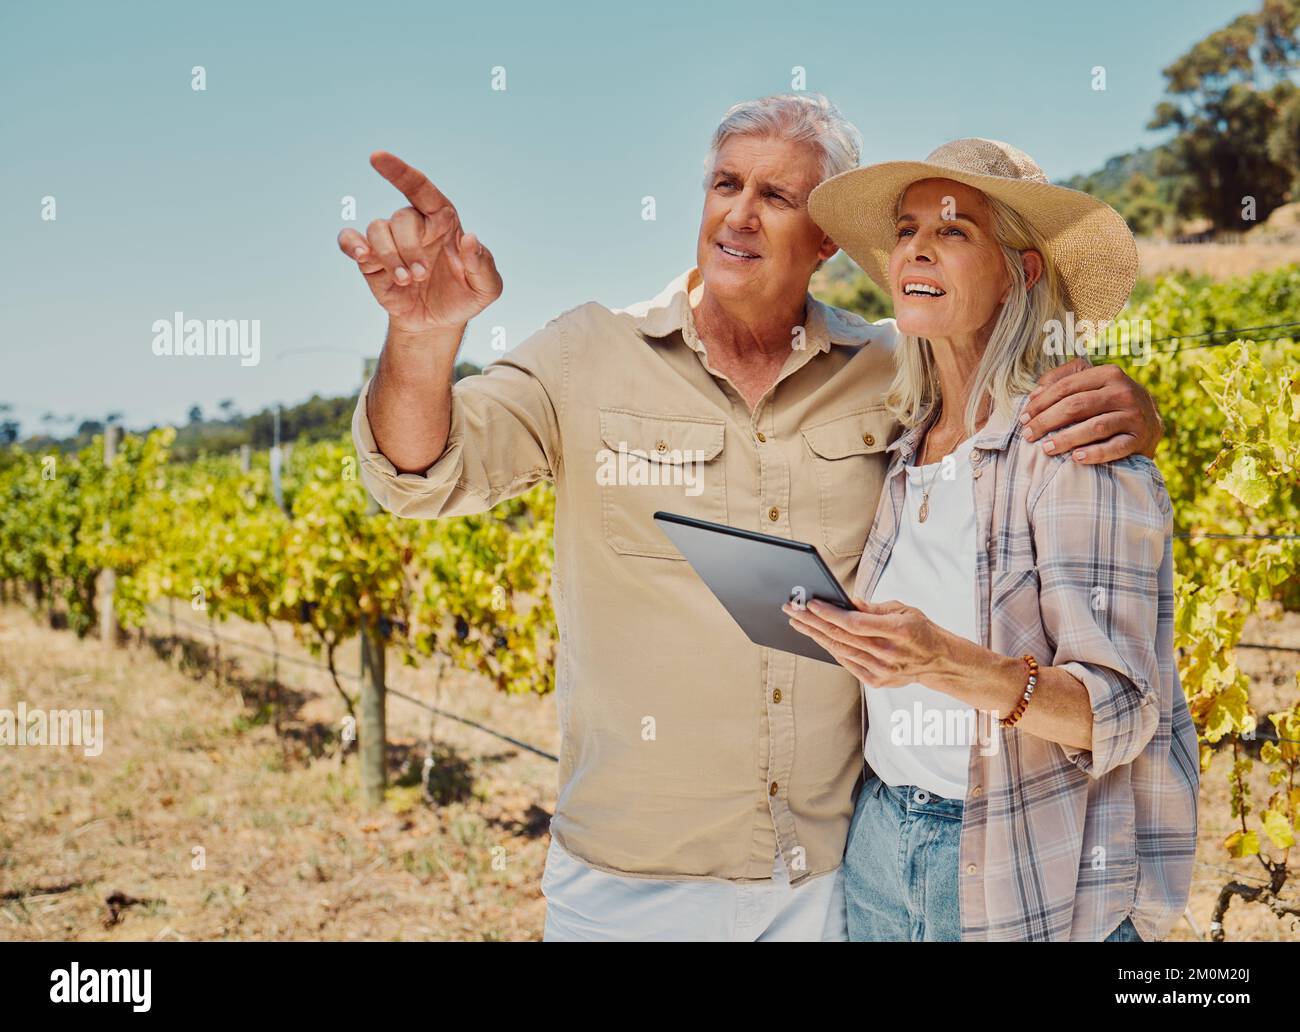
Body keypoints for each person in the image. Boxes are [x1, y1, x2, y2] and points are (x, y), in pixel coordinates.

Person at [337, 96, 1165, 941]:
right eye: (726, 184)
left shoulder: (889, 370)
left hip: (831, 878)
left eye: (776, 197)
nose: (739, 212)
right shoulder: (587, 352)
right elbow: (418, 475)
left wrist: (1134, 407)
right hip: (629, 884)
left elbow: (1000, 398)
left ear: (827, 242)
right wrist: (423, 337)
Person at [786, 138, 1198, 941]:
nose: (917, 247)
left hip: (1018, 862)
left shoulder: (1071, 449)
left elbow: (1117, 713)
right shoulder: (904, 445)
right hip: (877, 844)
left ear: (1023, 272)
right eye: (906, 230)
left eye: (954, 230)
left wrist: (944, 663)